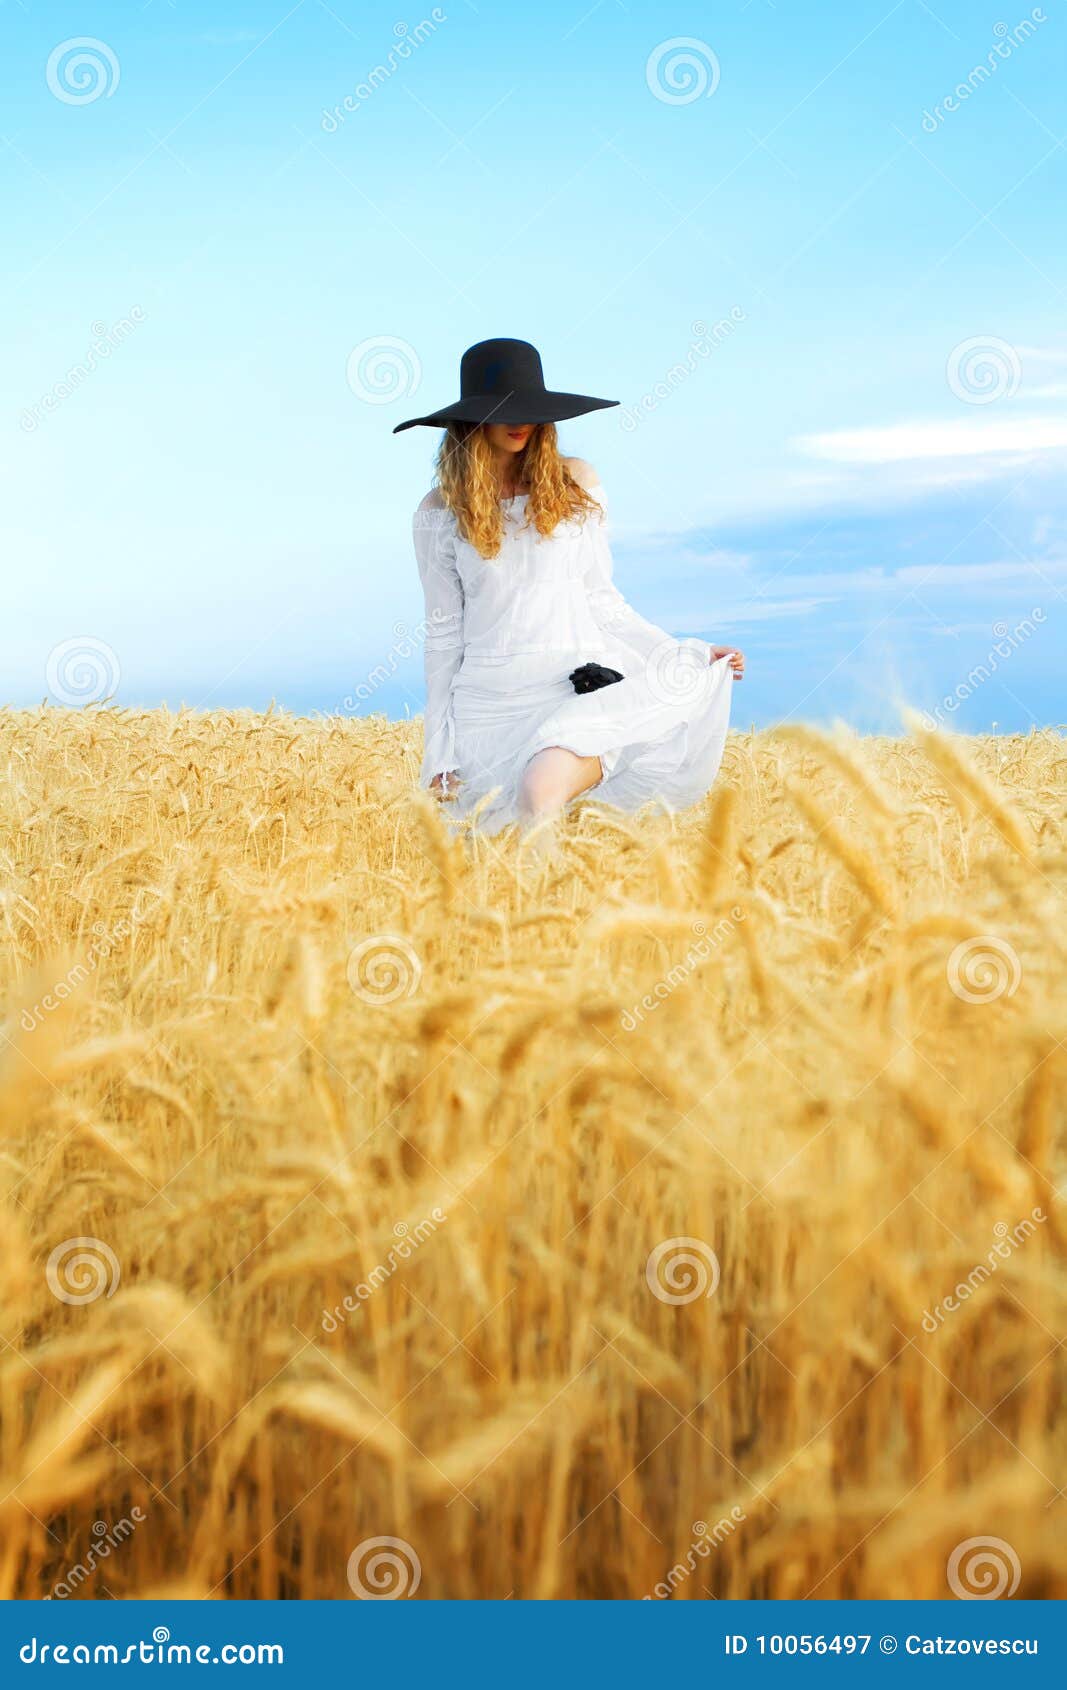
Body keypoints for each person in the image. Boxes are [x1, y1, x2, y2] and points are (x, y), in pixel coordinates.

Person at [395, 338, 743, 831]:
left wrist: (681, 656)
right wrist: (439, 753)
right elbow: (443, 635)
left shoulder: (575, 483)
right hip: (484, 711)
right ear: (471, 420)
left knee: (540, 792)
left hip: (569, 691)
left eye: (531, 410)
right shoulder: (438, 512)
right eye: (503, 410)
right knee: (496, 861)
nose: (521, 422)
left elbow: (603, 599)